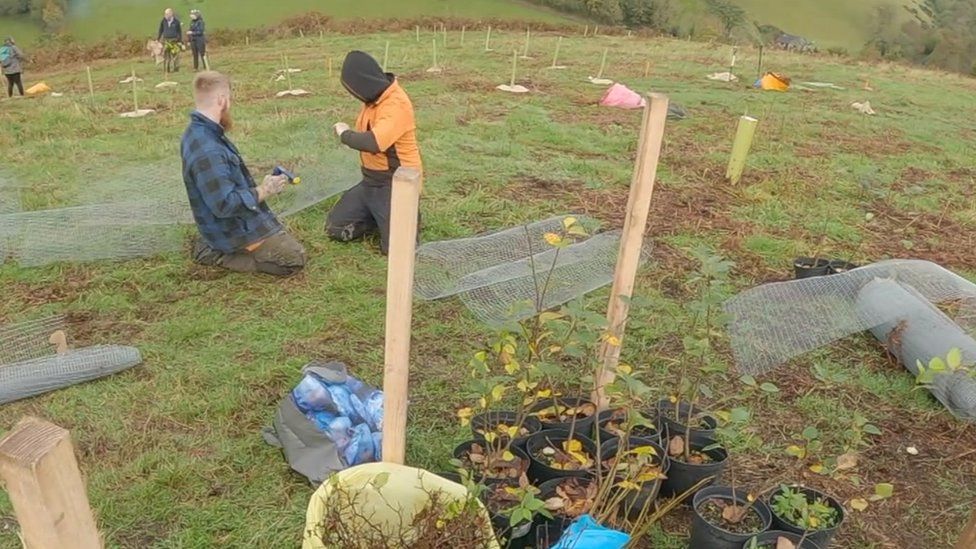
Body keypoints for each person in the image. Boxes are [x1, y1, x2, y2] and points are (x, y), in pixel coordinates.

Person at [181, 71, 306, 276]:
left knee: (280, 237)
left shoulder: (198, 132)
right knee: (294, 258)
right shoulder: (208, 149)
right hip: (231, 231)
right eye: (229, 98)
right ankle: (219, 254)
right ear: (222, 100)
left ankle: (214, 245)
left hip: (229, 222)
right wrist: (264, 190)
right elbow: (225, 204)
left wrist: (260, 189)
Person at [326, 50, 422, 255]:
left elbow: (374, 142)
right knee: (336, 230)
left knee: (398, 251)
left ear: (363, 83)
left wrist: (344, 134)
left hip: (396, 182)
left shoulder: (396, 104)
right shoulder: (373, 100)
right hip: (371, 181)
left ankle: (406, 215)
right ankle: (380, 216)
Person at [157, 8, 183, 73]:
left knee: (176, 55)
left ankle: (176, 69)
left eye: (167, 14)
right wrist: (158, 39)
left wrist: (180, 41)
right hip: (166, 40)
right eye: (165, 14)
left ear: (171, 14)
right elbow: (161, 30)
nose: (166, 15)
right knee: (166, 55)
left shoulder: (176, 22)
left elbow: (179, 32)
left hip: (174, 40)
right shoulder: (163, 21)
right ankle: (166, 69)